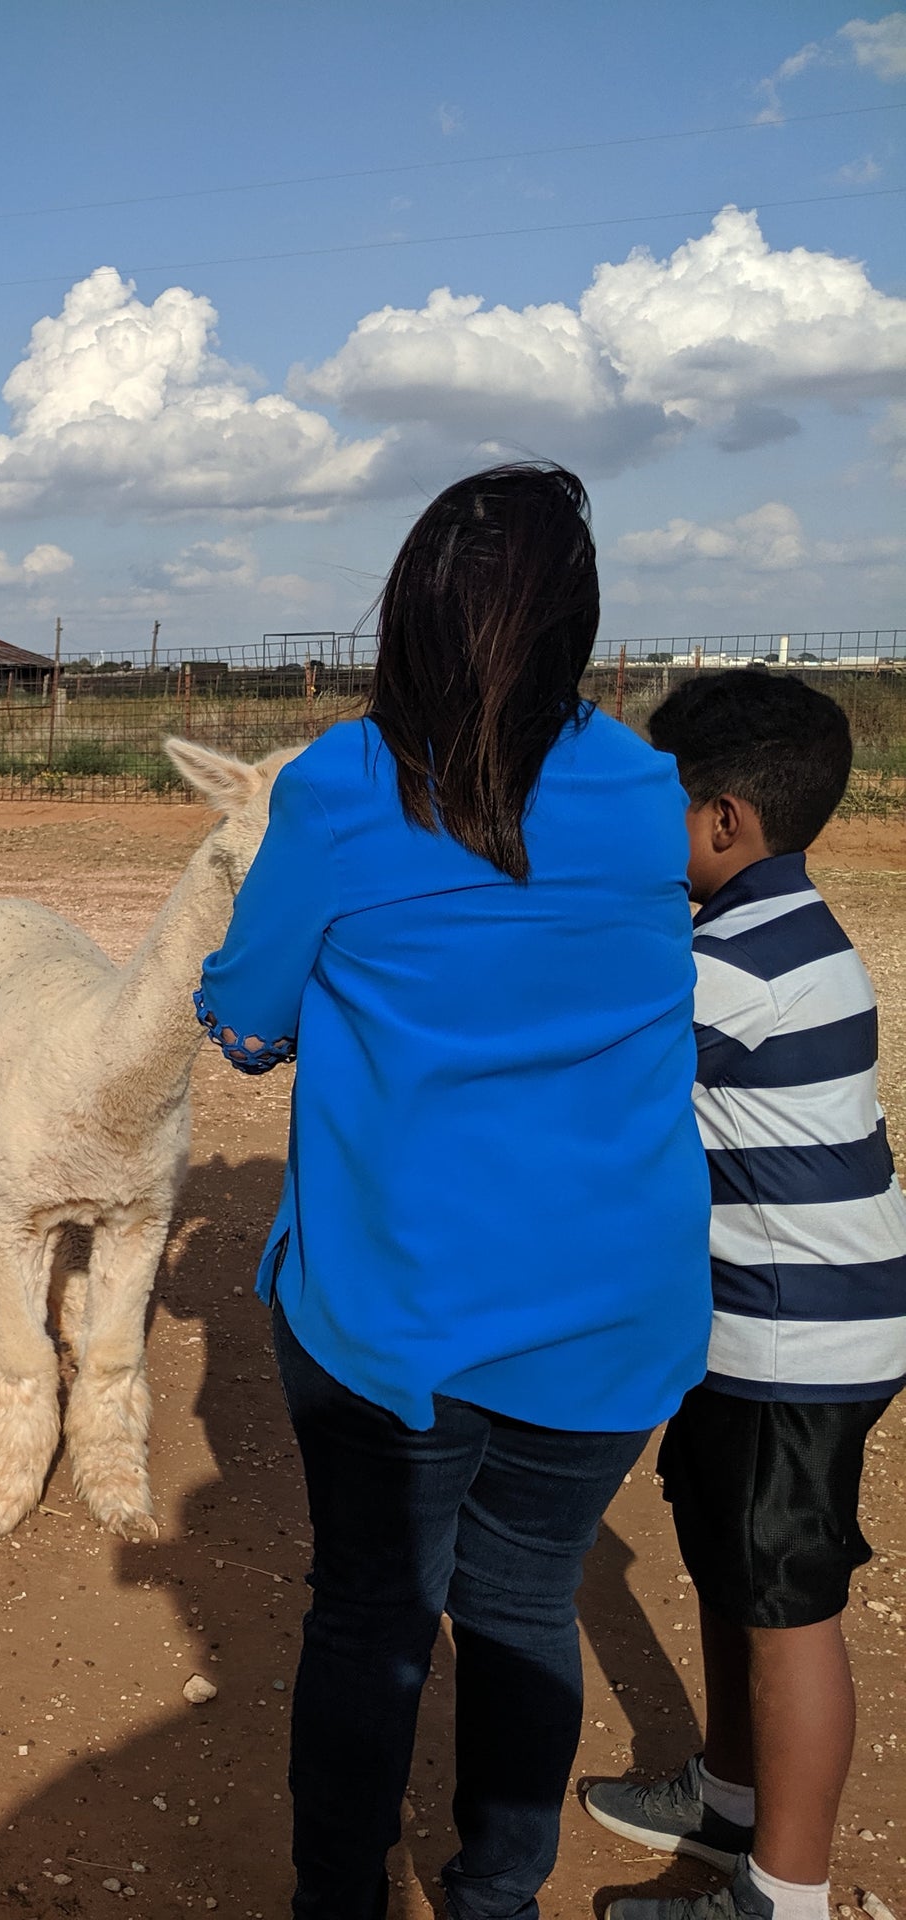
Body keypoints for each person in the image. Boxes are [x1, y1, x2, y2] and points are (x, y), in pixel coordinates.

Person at [194, 463, 712, 1920]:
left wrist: (278, 1016)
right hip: (614, 1317)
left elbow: (244, 1020)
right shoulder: (654, 797)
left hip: (393, 1313)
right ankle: (498, 1894)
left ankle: (336, 1899)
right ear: (579, 628)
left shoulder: (340, 793)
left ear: (406, 618)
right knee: (525, 1608)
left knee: (370, 1617)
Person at [584, 672, 900, 1920]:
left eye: (654, 810)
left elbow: (595, 1050)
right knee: (730, 1568)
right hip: (762, 1324)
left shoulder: (741, 966)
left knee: (786, 1609)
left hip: (797, 1339)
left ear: (720, 823)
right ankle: (725, 1798)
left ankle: (787, 1893)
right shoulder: (768, 933)